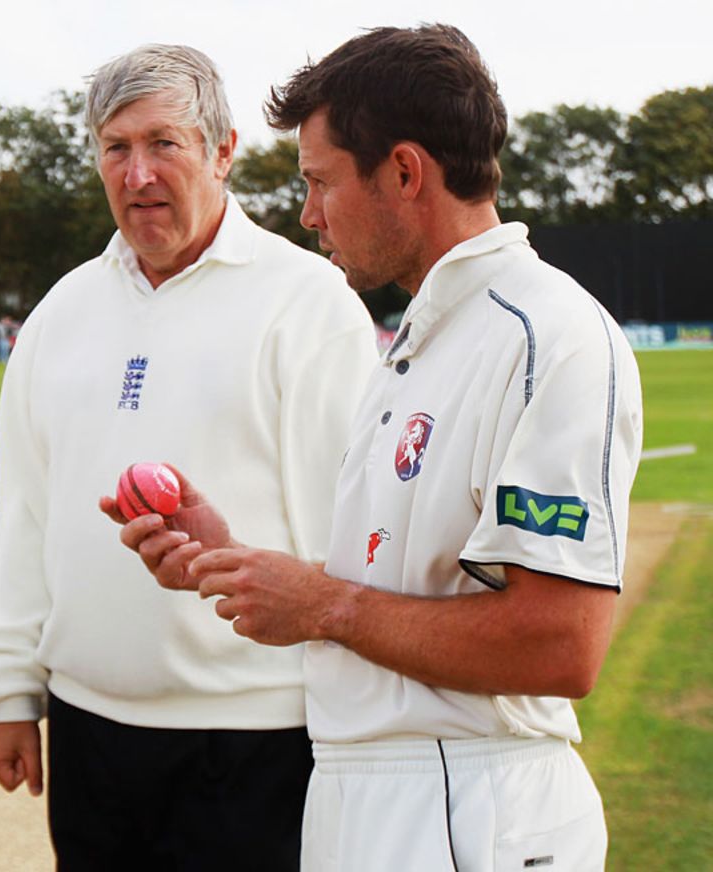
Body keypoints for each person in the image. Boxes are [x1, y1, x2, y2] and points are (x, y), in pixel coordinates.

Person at [113, 24, 644, 872]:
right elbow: (389, 588)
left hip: (466, 805)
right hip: (365, 793)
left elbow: (560, 645)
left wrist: (325, 606)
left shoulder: (547, 332)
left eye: (320, 181)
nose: (307, 212)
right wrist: (237, 561)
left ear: (404, 172)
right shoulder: (418, 340)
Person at [0, 44, 377, 870]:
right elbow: (25, 512)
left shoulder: (308, 303)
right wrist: (12, 691)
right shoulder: (60, 313)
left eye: (164, 143)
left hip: (256, 737)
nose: (138, 173)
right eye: (116, 148)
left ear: (223, 153)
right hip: (92, 731)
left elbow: (352, 535)